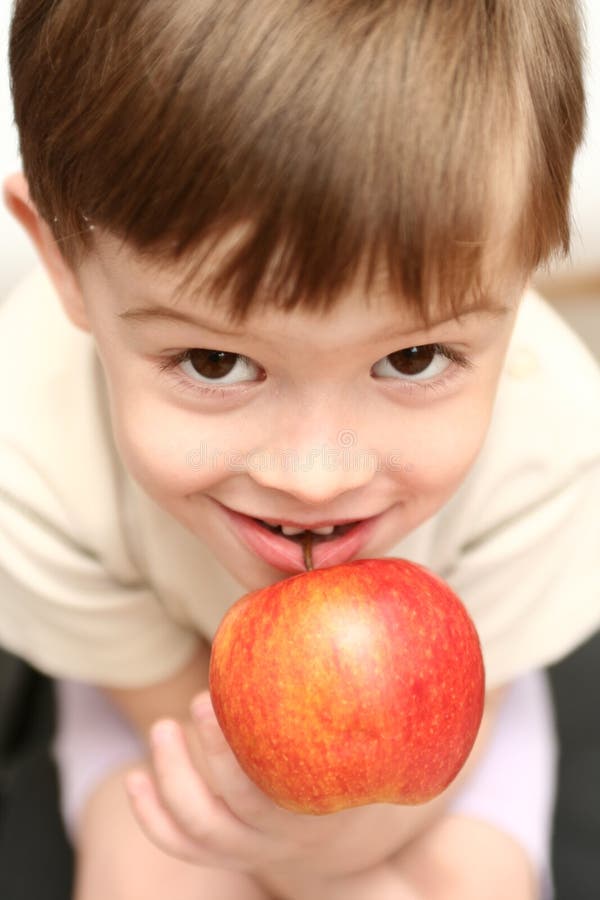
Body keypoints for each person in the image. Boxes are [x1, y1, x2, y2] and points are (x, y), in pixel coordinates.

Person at [0, 0, 598, 898]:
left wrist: (346, 865)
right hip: (164, 692)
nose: (316, 477)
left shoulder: (550, 437)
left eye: (412, 356)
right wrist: (291, 858)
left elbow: (440, 762)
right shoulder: (30, 453)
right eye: (214, 360)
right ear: (59, 261)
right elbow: (198, 758)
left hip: (457, 715)